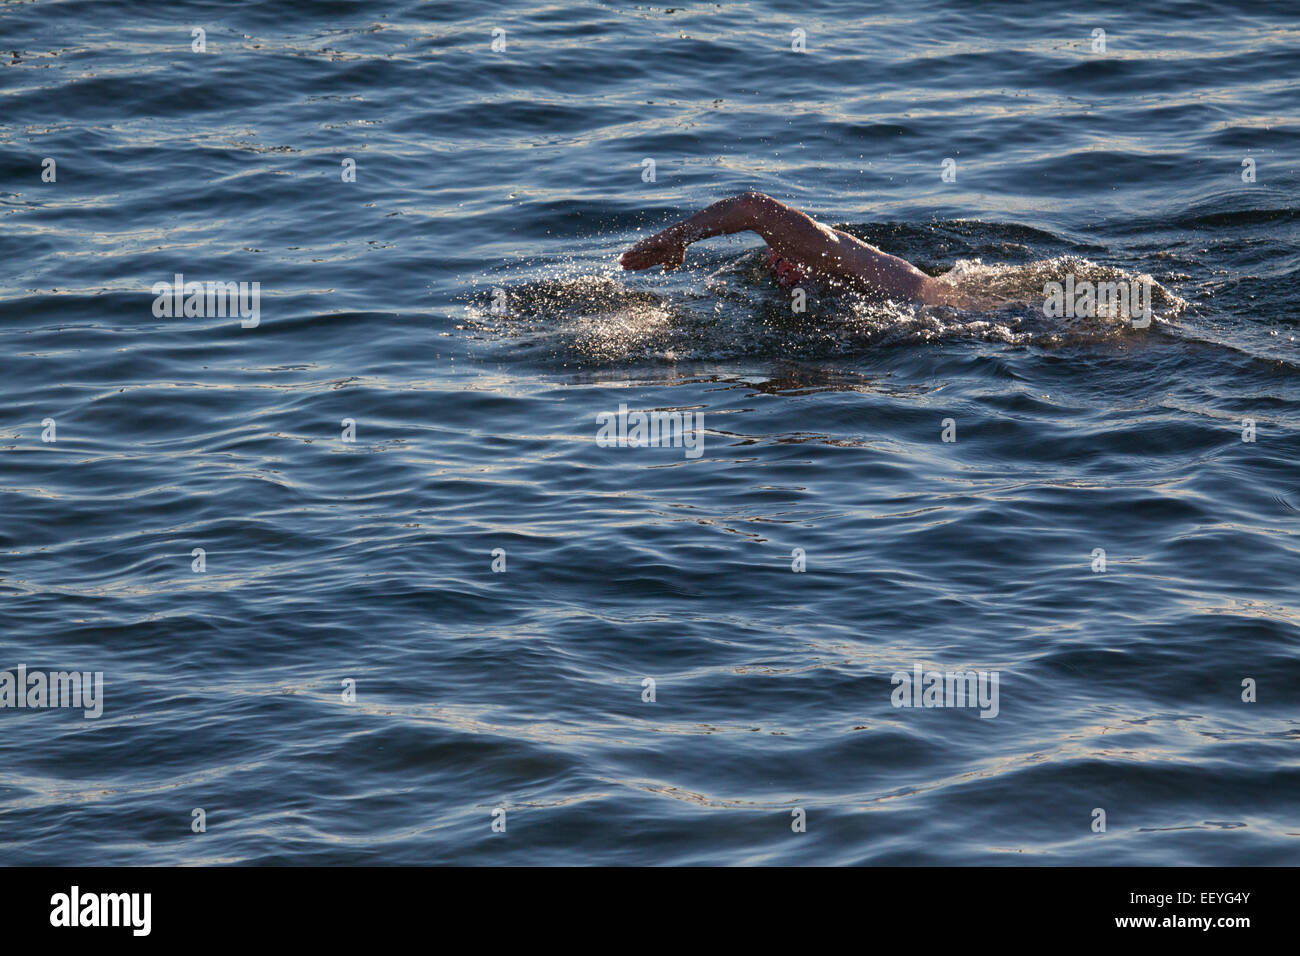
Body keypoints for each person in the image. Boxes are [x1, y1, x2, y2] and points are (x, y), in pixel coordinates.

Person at [620, 191, 971, 306]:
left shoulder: (853, 260)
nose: (785, 269)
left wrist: (677, 237)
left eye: (789, 257)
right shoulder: (838, 300)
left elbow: (753, 207)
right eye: (776, 267)